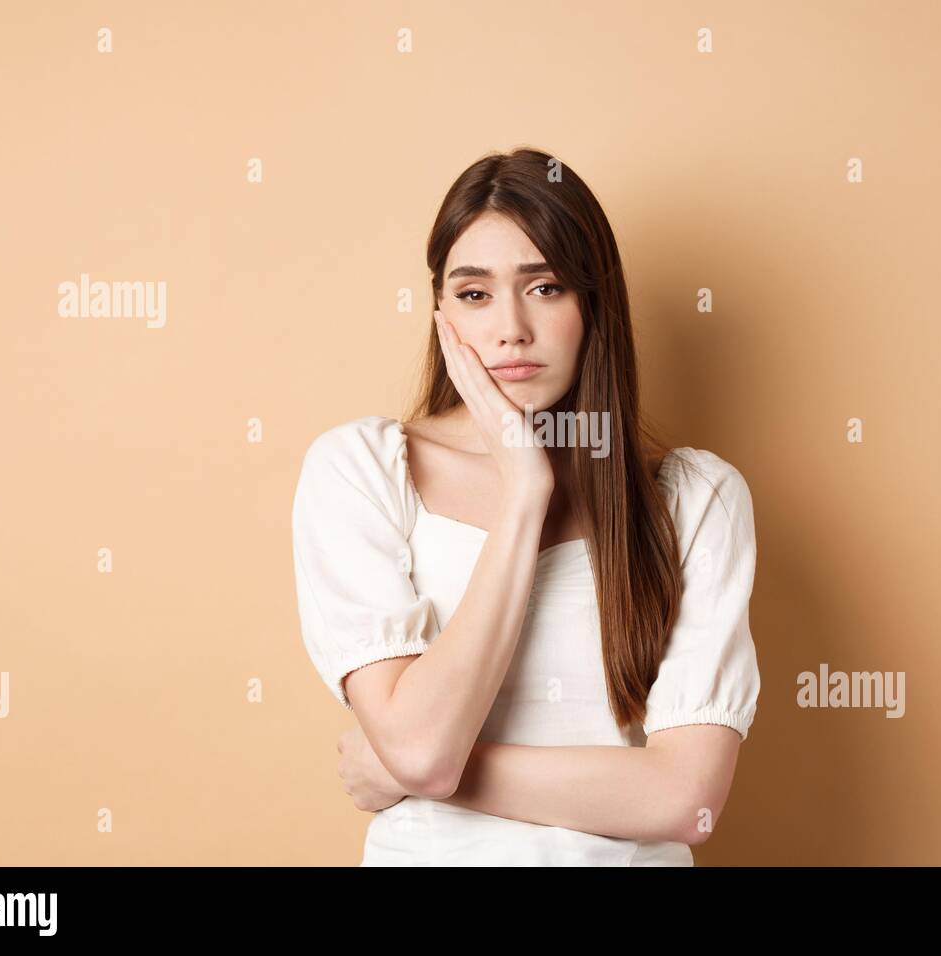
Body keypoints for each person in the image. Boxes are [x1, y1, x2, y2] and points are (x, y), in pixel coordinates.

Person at [291, 147, 760, 865]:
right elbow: (420, 745)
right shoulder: (362, 471)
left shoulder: (697, 500)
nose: (510, 327)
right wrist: (523, 496)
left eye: (544, 288)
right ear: (442, 314)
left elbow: (683, 799)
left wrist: (415, 770)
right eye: (475, 294)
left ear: (592, 304)